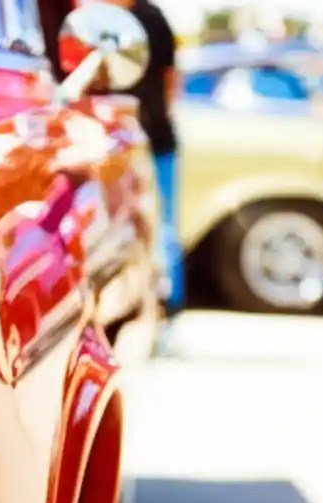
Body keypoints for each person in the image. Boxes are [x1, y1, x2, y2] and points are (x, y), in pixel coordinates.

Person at [106, 0, 184, 313]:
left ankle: (169, 301)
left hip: (153, 138)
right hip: (116, 139)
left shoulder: (150, 19)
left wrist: (160, 112)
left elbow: (169, 76)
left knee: (163, 222)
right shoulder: (97, 20)